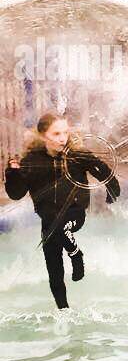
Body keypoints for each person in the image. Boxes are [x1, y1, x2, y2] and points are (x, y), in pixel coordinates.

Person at [3, 113, 120, 309]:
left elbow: (102, 169)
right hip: (48, 219)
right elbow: (16, 193)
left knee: (61, 228)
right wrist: (12, 172)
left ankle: (76, 255)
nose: (62, 138)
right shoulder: (32, 160)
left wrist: (113, 191)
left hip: (74, 213)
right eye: (56, 133)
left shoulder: (76, 155)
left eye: (65, 132)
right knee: (54, 269)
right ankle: (63, 310)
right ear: (42, 135)